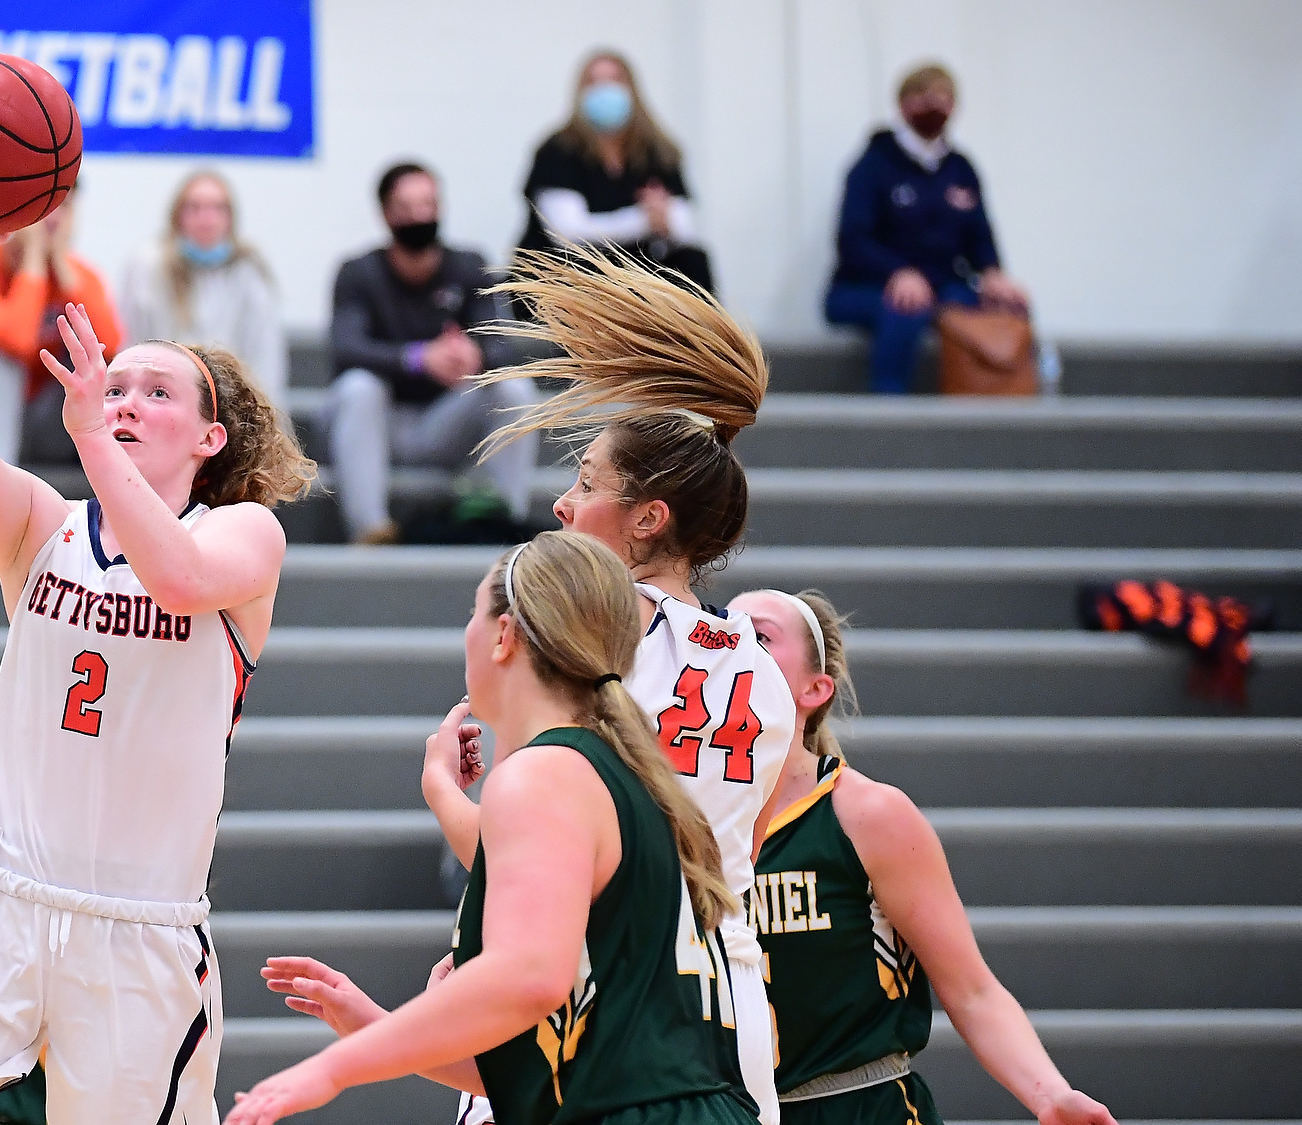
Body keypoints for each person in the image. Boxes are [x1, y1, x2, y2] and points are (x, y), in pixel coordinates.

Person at [0, 161, 314, 1125]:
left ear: (211, 440)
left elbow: (174, 576)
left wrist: (91, 433)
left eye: (155, 393)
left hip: (140, 933)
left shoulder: (243, 535)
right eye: (114, 384)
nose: (125, 399)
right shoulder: (43, 527)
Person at [226, 531, 757, 1125]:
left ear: (504, 635)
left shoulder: (546, 774)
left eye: (473, 614)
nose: (468, 635)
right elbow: (552, 1063)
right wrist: (372, 1027)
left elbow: (529, 978)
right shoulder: (620, 772)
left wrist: (329, 1070)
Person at [444, 243, 798, 1125]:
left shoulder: (590, 636)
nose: (565, 503)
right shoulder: (765, 669)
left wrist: (442, 797)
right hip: (731, 1010)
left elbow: (550, 855)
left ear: (649, 517)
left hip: (602, 1003)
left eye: (586, 482)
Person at [729, 588, 1117, 1125]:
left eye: (761, 634)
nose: (735, 641)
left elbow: (973, 990)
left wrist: (1048, 1093)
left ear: (815, 689)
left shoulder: (867, 814)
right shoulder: (683, 816)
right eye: (724, 627)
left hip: (858, 1107)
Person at [323, 162, 535, 545]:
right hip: (381, 423)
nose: (420, 216)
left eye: (428, 204)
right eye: (407, 207)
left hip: (446, 421)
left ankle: (510, 528)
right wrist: (420, 358)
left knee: (513, 389)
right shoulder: (358, 272)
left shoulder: (469, 265)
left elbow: (502, 344)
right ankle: (370, 530)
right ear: (386, 214)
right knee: (358, 388)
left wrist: (475, 356)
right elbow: (346, 348)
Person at [824, 64, 1031, 393]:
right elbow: (853, 241)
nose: (934, 106)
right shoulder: (872, 165)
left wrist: (993, 274)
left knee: (1008, 307)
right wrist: (898, 273)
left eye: (943, 98)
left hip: (943, 286)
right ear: (903, 104)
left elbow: (979, 237)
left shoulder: (961, 169)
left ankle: (1004, 404)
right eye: (923, 96)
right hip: (868, 287)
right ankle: (889, 412)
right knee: (906, 309)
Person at [518, 50, 715, 294]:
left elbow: (683, 223)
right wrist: (644, 220)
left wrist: (664, 221)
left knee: (693, 261)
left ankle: (700, 332)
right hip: (572, 270)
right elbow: (569, 232)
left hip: (636, 267)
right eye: (595, 82)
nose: (605, 90)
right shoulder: (558, 151)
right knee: (597, 271)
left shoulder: (657, 151)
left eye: (614, 80)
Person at [0, 190, 125, 464]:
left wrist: (61, 266)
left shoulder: (80, 275)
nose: (53, 218)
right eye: (43, 207)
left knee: (93, 370)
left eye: (64, 207)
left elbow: (110, 347)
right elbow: (16, 343)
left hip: (49, 423)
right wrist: (33, 261)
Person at [121, 170, 290, 414]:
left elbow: (266, 361)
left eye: (217, 208)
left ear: (230, 218)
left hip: (235, 410)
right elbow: (132, 346)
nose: (206, 219)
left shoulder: (250, 272)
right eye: (195, 208)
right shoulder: (148, 267)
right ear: (177, 215)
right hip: (158, 405)